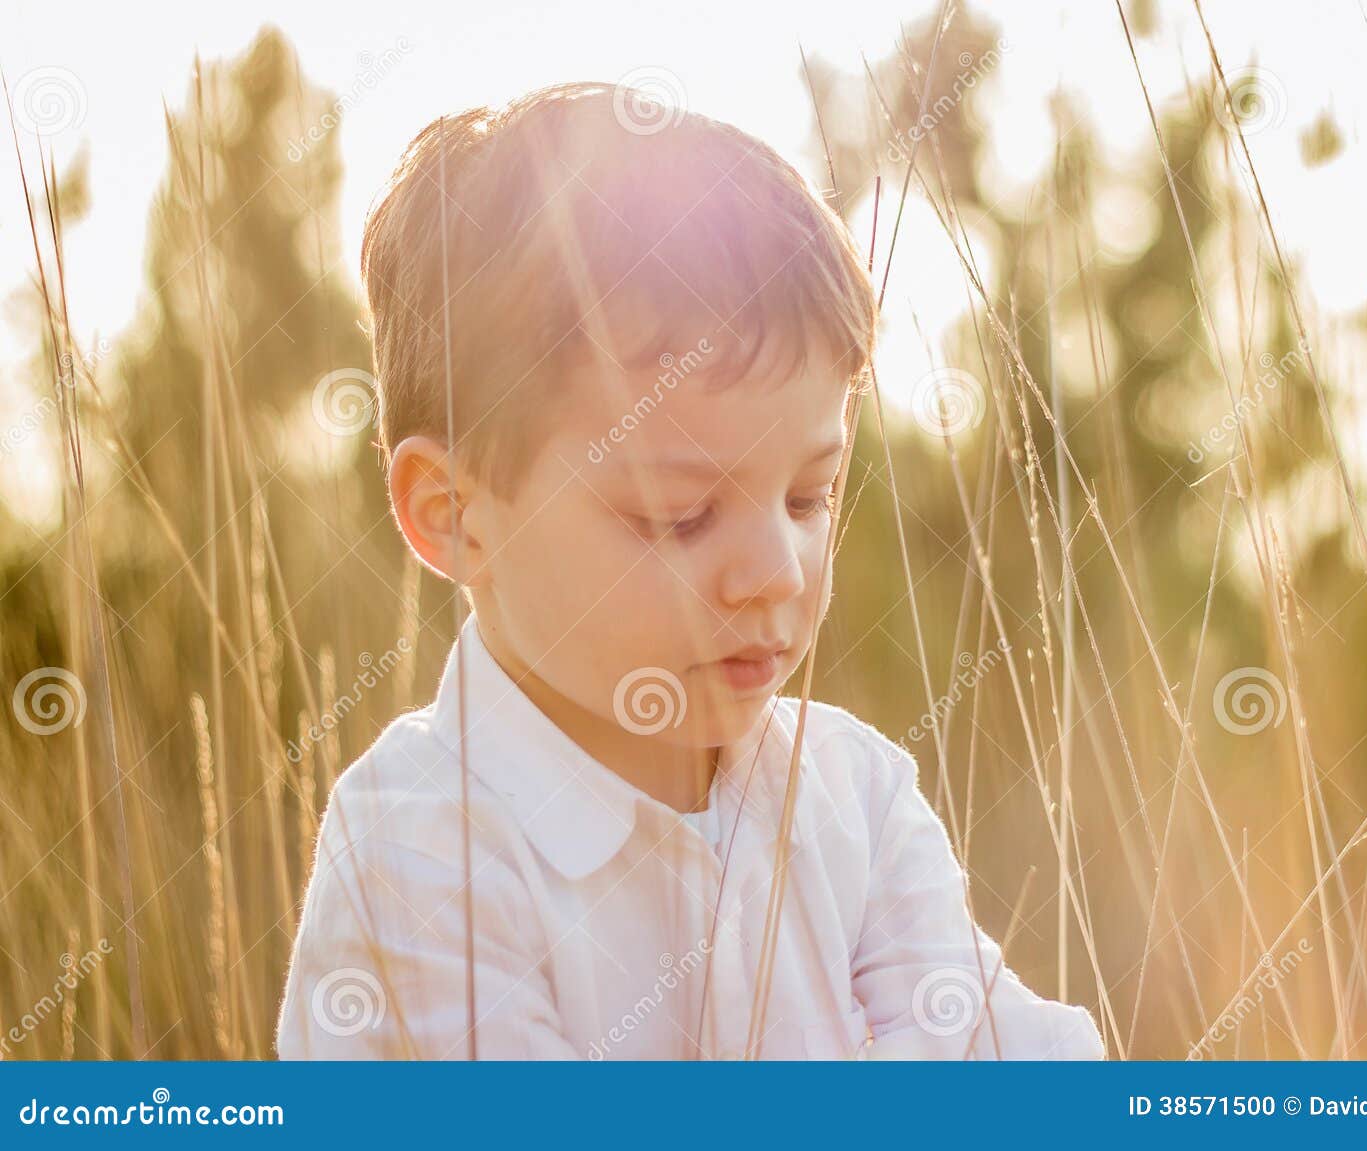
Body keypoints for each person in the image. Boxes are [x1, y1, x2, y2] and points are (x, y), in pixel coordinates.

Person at [274, 82, 1104, 1061]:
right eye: (678, 513)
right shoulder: (417, 853)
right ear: (453, 515)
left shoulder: (855, 795)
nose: (773, 572)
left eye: (808, 497)